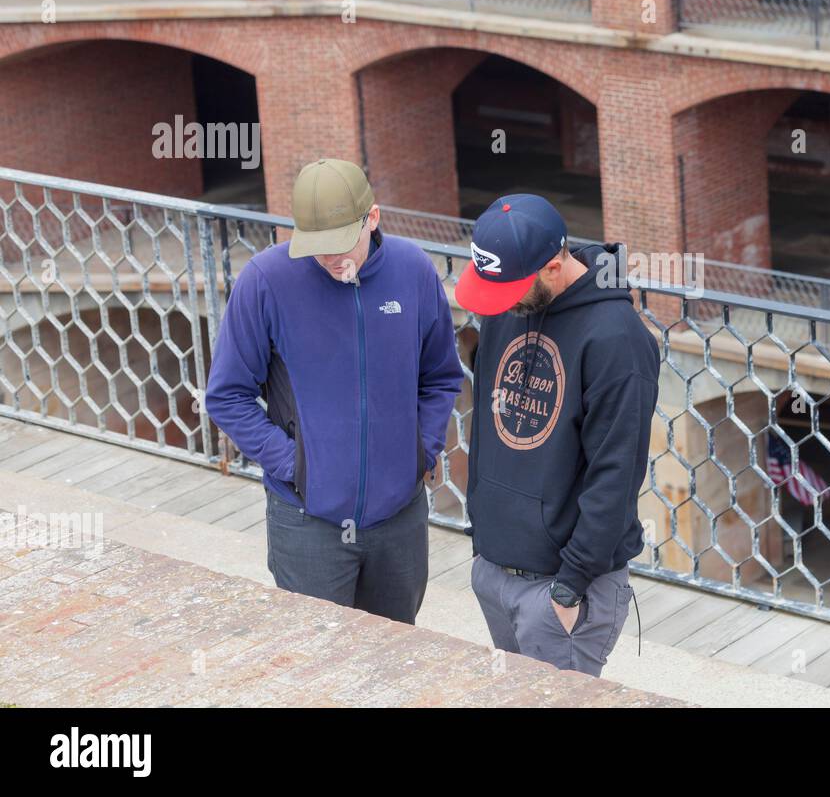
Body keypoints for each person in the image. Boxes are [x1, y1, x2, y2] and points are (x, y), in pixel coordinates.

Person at [205, 158, 463, 624]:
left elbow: (441, 376)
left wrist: (419, 453)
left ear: (374, 218)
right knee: (317, 666)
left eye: (341, 243)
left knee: (395, 657)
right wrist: (294, 464)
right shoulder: (264, 281)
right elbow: (227, 395)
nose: (330, 259)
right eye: (317, 248)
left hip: (398, 520)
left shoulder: (415, 272)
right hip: (308, 525)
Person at [455, 194, 659, 677]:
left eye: (507, 291)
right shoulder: (510, 300)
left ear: (551, 267)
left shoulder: (618, 341)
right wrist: (481, 533)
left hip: (563, 590)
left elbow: (616, 474)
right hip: (495, 568)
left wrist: (569, 588)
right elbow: (487, 420)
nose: (500, 304)